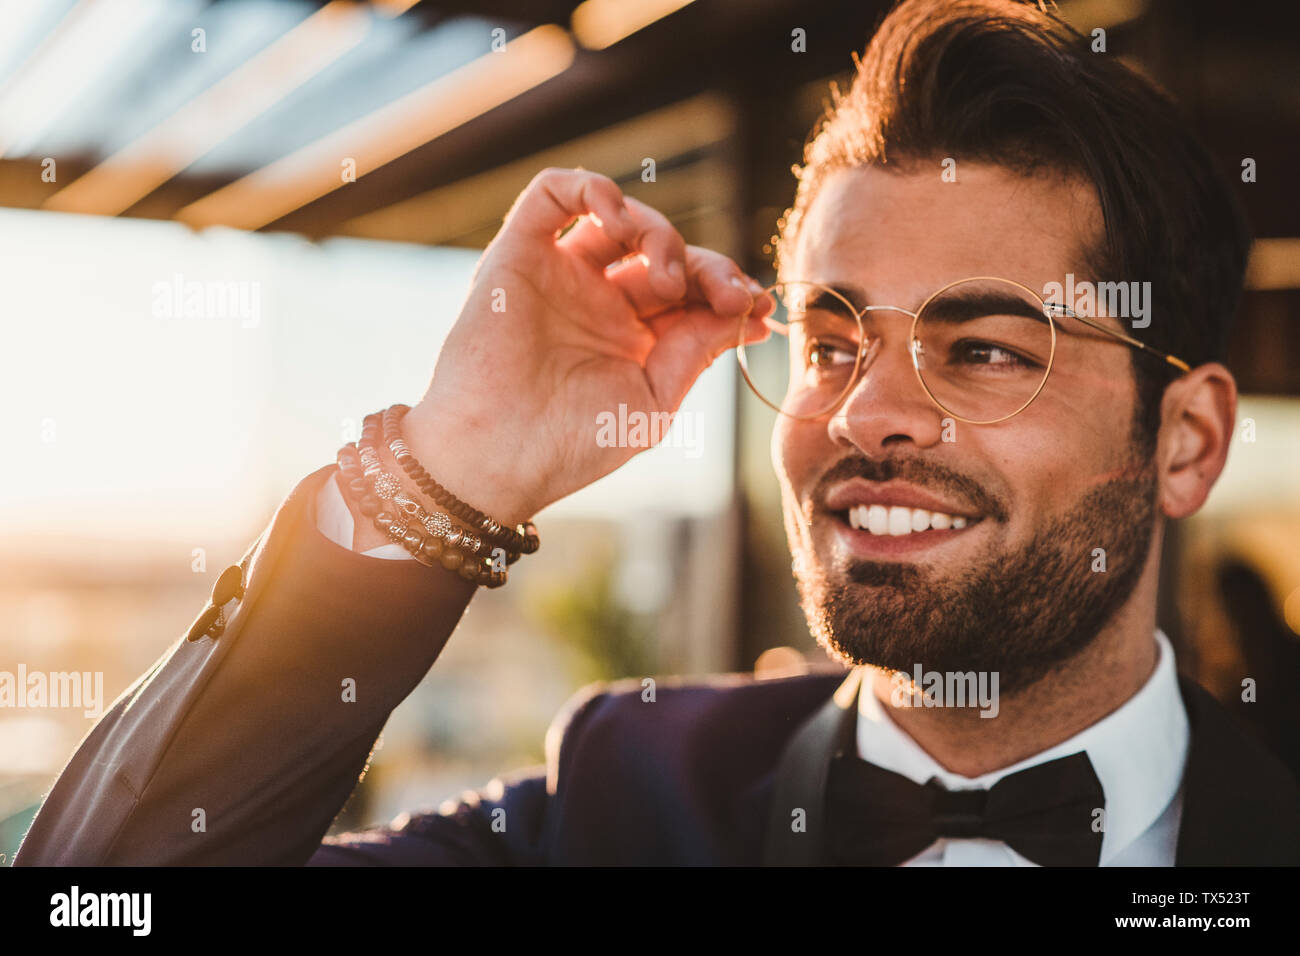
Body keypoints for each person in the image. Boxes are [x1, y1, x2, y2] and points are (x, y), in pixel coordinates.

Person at [15, 0, 1298, 866]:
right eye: (832, 342)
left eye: (983, 350)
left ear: (1185, 441)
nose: (864, 412)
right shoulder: (623, 796)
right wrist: (448, 470)